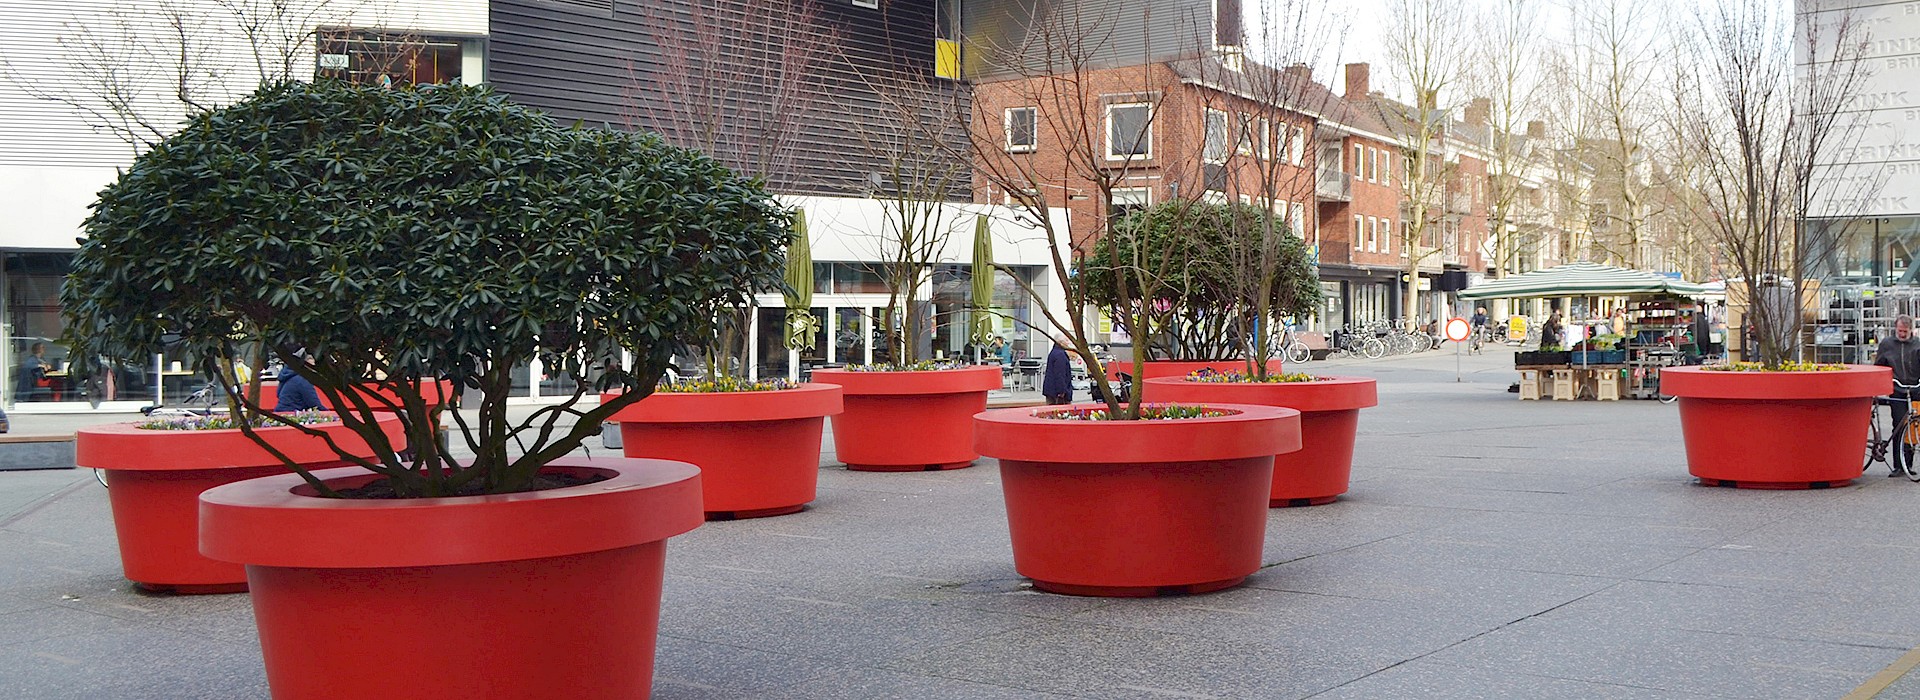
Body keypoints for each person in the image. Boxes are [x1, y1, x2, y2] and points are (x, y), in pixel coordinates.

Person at [1875, 315, 1920, 476]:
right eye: (1899, 331)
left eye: (1905, 332)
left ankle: (1908, 463)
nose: (1901, 334)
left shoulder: (1917, 345)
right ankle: (1898, 465)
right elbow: (1879, 366)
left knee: (1914, 426)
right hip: (1897, 389)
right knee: (1899, 425)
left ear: (1910, 331)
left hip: (1915, 389)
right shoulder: (1887, 344)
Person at [1041, 337, 1074, 405]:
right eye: (1066, 340)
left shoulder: (1054, 352)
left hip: (1051, 390)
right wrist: (1061, 391)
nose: (1068, 343)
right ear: (1061, 343)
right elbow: (1060, 374)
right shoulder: (1060, 355)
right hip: (1057, 393)